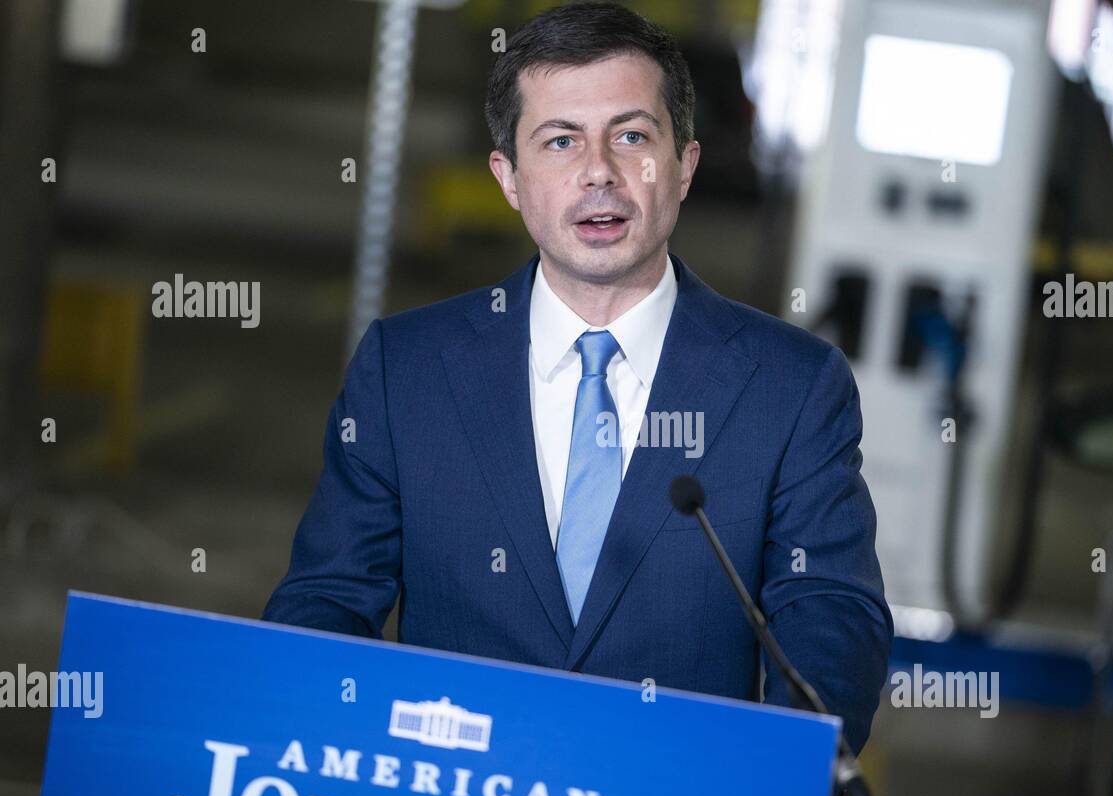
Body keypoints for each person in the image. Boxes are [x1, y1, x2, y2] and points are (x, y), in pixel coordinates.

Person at [263, 1, 892, 755]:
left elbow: (827, 614)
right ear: (510, 177)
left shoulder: (792, 386)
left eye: (631, 136)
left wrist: (785, 780)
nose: (599, 172)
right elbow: (328, 598)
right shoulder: (408, 369)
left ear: (686, 165)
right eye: (560, 142)